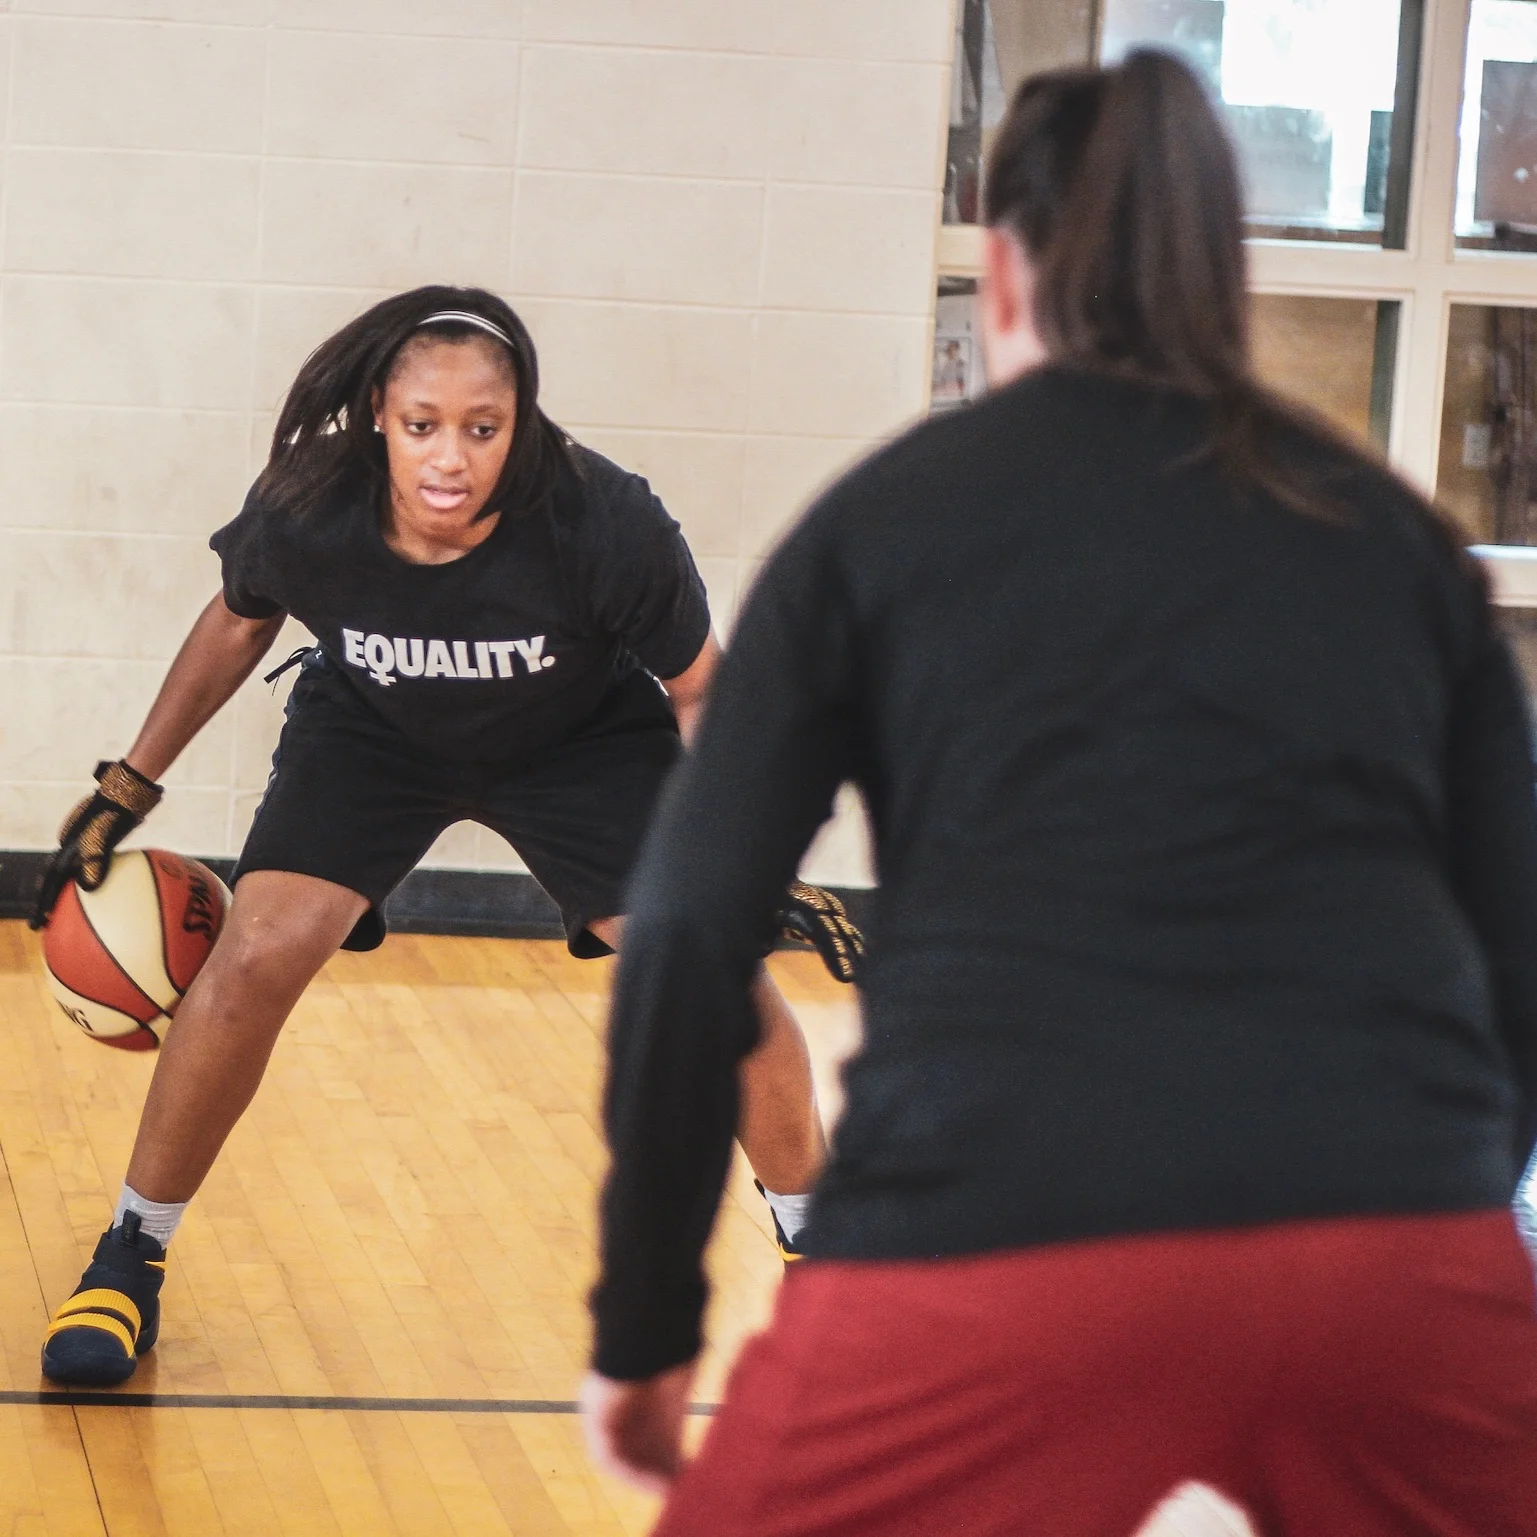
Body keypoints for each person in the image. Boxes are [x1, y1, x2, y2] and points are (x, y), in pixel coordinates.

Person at [581, 53, 1537, 1535]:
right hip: (1399, 1253)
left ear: (1005, 266)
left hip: (993, 1235)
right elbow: (1521, 959)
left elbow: (686, 941)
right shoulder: (1397, 540)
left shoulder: (876, 525)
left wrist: (642, 1330)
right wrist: (1430, 1209)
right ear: (1223, 267)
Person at [29, 285, 861, 1388]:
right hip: (372, 726)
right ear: (379, 411)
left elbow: (702, 687)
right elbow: (241, 616)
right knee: (254, 955)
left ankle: (824, 1253)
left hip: (581, 741)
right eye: (424, 423)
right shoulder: (312, 503)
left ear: (521, 422)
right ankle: (131, 1250)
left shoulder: (603, 520)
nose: (452, 456)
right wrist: (132, 783)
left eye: (484, 427)